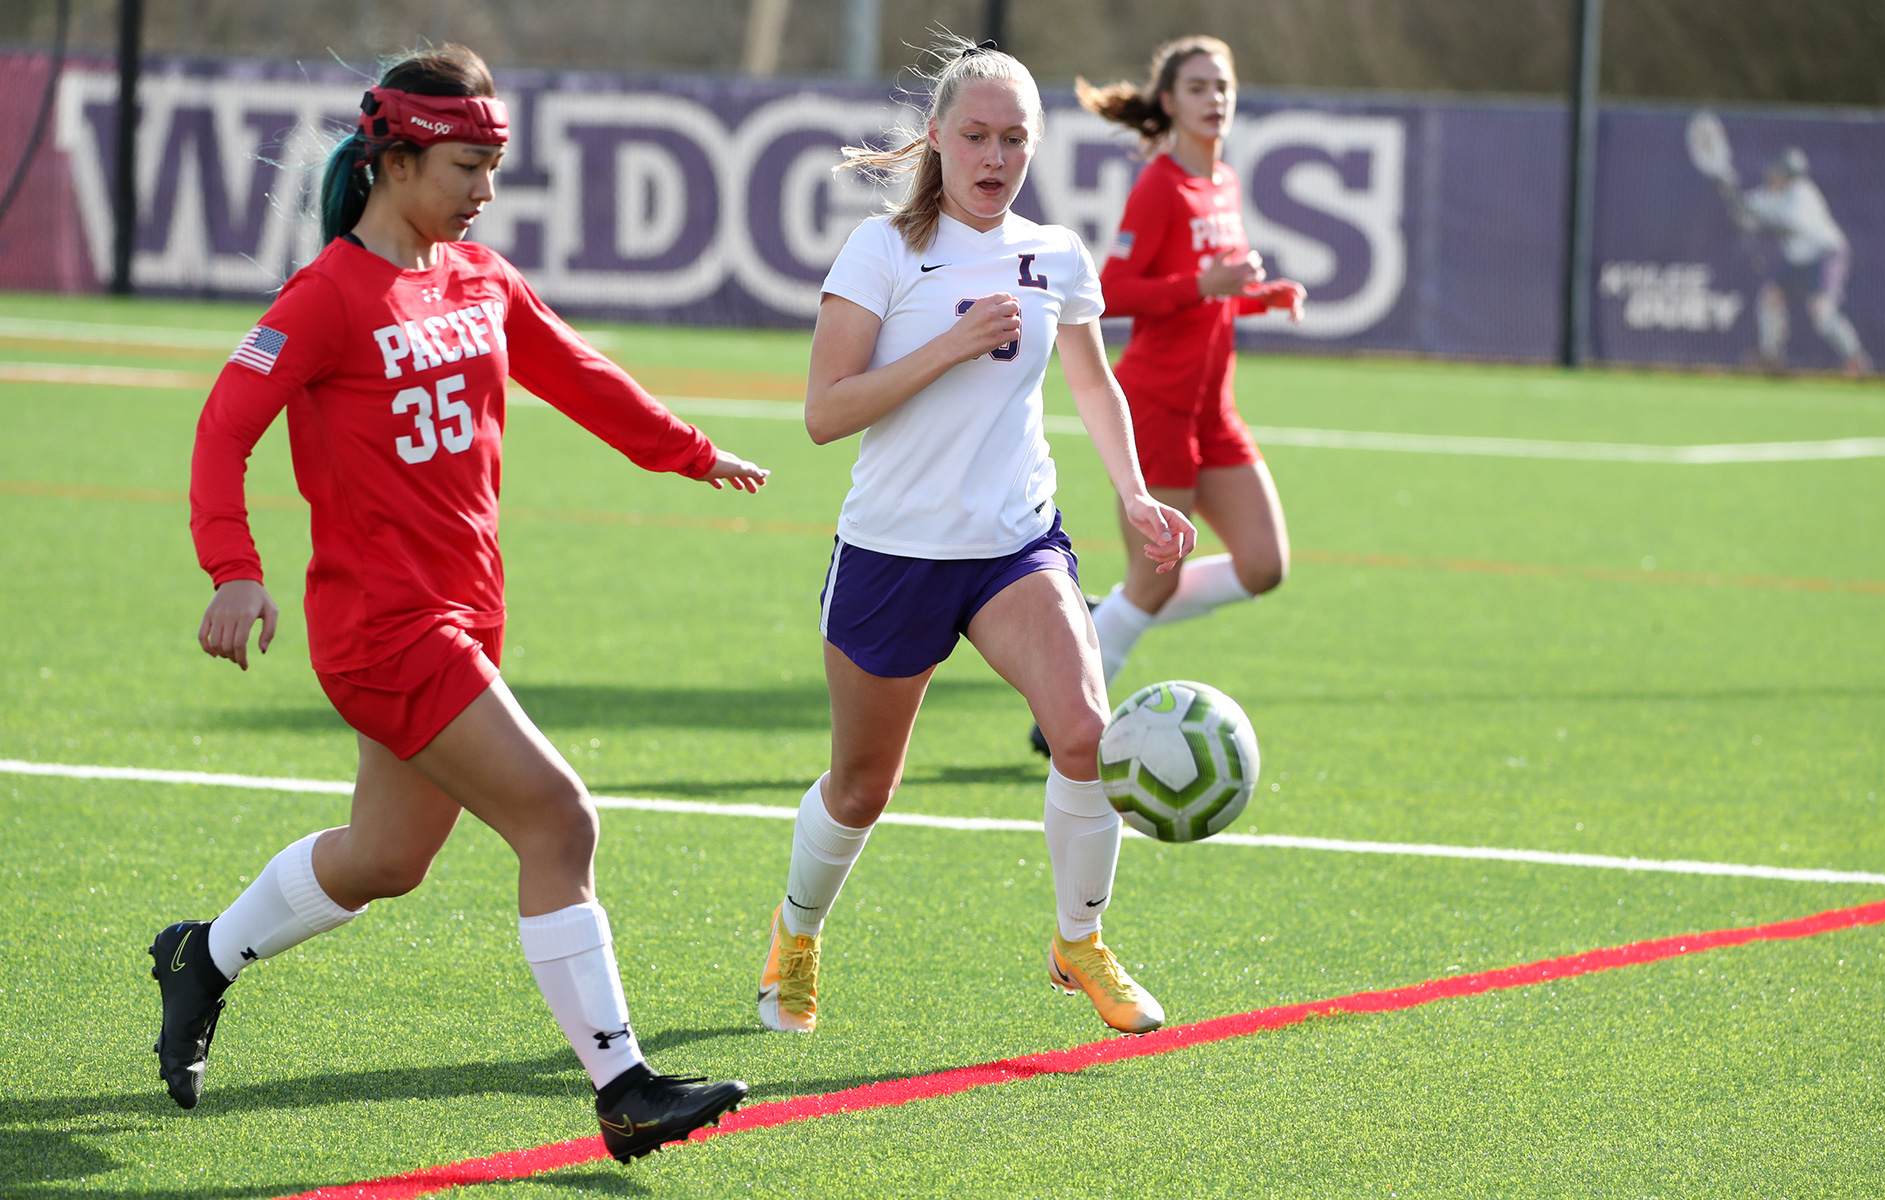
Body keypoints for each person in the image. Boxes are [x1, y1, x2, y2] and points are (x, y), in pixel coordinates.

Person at [158, 45, 759, 1162]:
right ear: (391, 159)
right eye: (467, 167)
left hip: (466, 616)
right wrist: (232, 570)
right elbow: (221, 430)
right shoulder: (325, 296)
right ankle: (623, 1087)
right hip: (383, 633)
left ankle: (204, 956)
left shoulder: (478, 276)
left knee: (385, 861)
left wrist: (689, 453)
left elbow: (578, 372)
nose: (486, 191)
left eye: (494, 168)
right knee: (560, 818)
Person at [752, 37, 1197, 1039]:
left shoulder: (1057, 253)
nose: (996, 158)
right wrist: (950, 346)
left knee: (1086, 734)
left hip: (1015, 546)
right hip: (893, 553)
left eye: (1015, 140)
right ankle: (797, 928)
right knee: (863, 787)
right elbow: (825, 413)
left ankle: (1079, 940)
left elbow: (1092, 381)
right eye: (977, 136)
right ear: (939, 140)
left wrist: (1132, 493)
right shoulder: (884, 250)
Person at [1035, 37, 1304, 746]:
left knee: (1264, 565)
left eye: (1222, 85)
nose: (1214, 99)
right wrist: (1204, 285)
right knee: (1154, 580)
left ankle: (1111, 610)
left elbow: (1206, 300)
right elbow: (1115, 291)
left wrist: (1258, 298)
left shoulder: (1225, 182)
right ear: (1168, 102)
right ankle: (1065, 712)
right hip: (1156, 404)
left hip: (1213, 409)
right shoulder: (1160, 184)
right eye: (1197, 87)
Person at [1718, 146, 1869, 376]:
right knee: (1770, 298)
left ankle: (1856, 359)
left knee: (1822, 312)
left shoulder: (1803, 193)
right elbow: (1745, 210)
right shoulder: (1770, 193)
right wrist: (1728, 190)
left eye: (1778, 172)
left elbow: (1787, 227)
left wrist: (1753, 220)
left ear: (1788, 176)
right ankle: (1771, 357)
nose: (1772, 176)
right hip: (1799, 259)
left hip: (1826, 255)